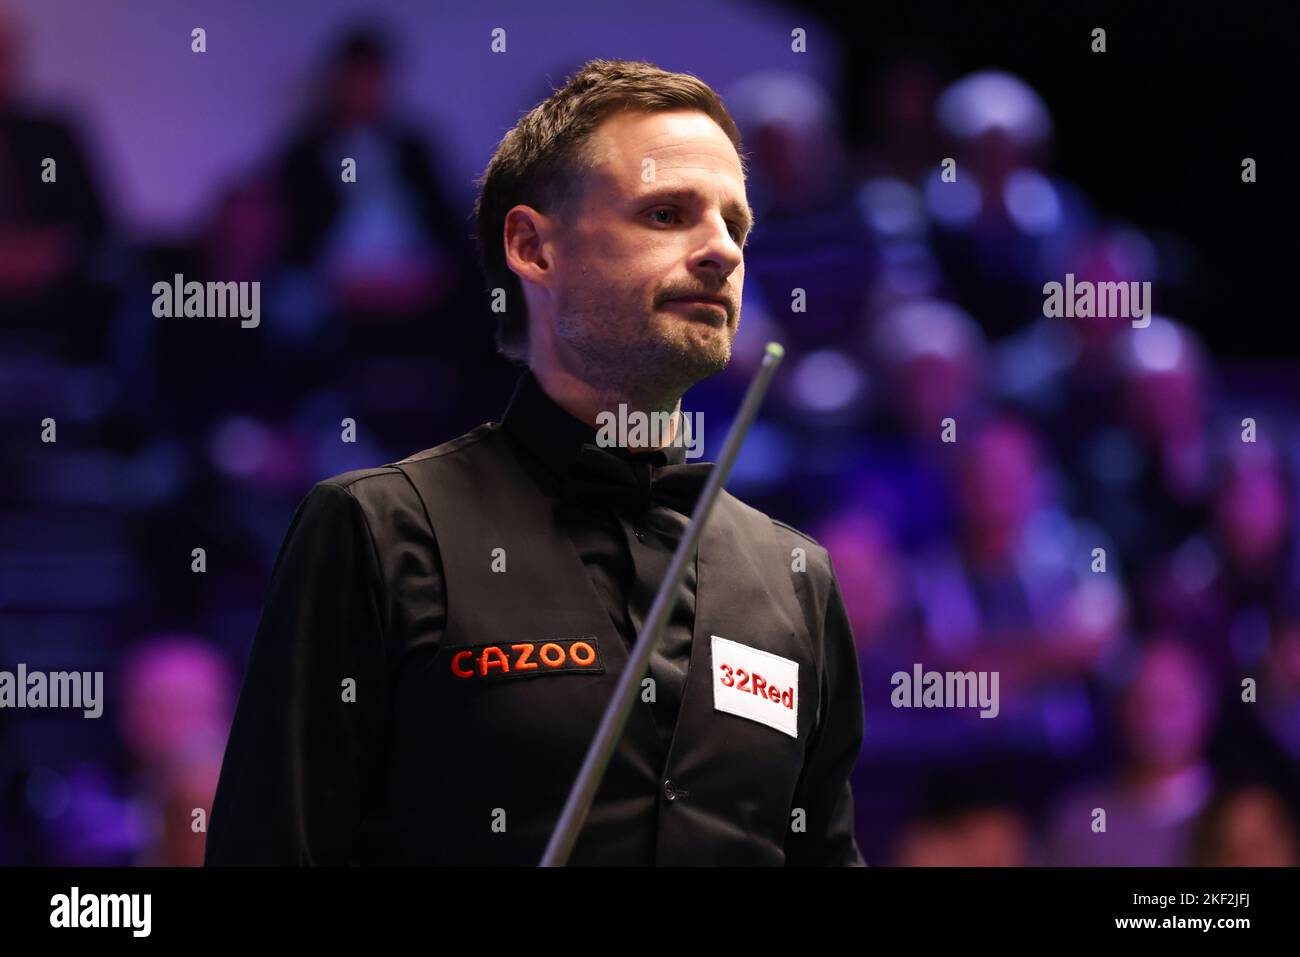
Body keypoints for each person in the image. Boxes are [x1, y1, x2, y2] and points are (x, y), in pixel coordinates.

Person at [205, 59, 866, 866]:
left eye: (736, 224)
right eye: (667, 214)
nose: (722, 251)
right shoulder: (378, 531)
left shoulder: (799, 576)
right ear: (533, 247)